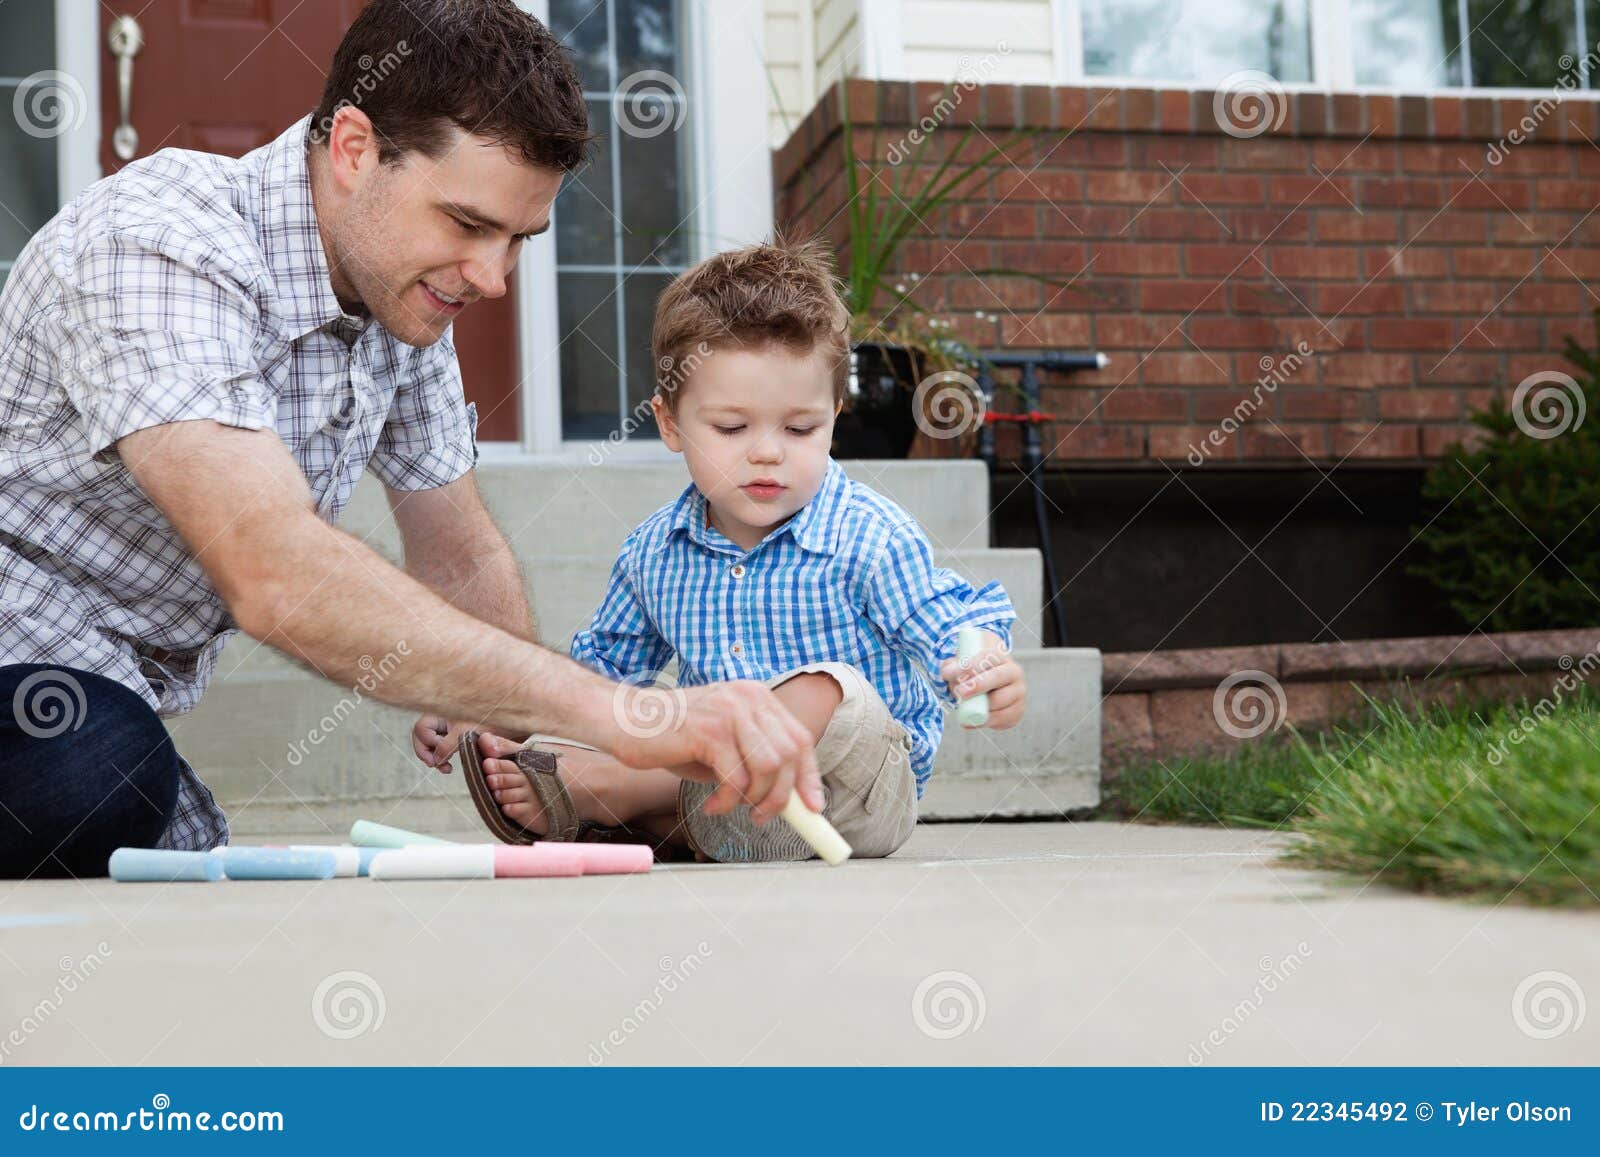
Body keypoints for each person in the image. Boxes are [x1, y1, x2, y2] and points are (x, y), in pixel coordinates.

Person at [0, 0, 822, 879]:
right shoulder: (157, 248)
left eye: (518, 240)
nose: (493, 278)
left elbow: (461, 555)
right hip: (27, 655)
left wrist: (546, 763)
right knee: (96, 769)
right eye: (468, 225)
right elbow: (273, 573)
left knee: (121, 780)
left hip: (96, 688)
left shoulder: (400, 298)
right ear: (354, 150)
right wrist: (634, 715)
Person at [448, 238, 1028, 862]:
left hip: (852, 796)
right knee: (629, 717)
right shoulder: (653, 554)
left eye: (800, 428)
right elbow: (601, 680)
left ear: (834, 417)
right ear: (670, 423)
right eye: (731, 428)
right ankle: (660, 814)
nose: (768, 452)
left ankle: (628, 793)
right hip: (740, 811)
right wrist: (491, 711)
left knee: (829, 689)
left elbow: (951, 619)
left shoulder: (868, 535)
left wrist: (983, 666)